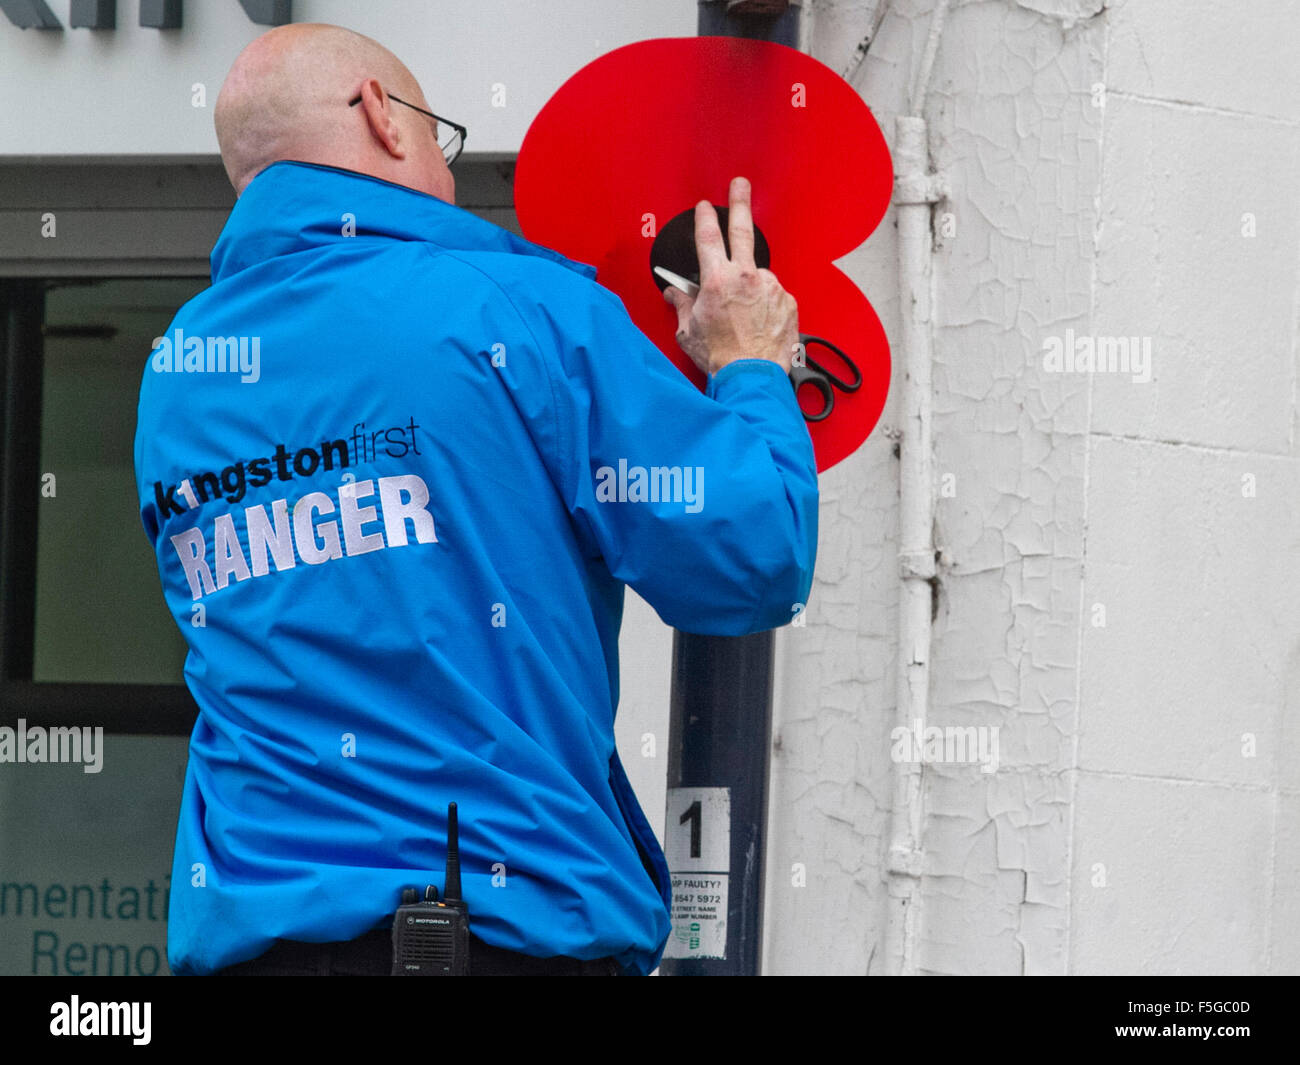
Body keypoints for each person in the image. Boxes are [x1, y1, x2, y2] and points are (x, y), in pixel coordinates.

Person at [134, 22, 818, 976]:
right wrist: (748, 365)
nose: (451, 181)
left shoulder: (179, 375)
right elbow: (753, 553)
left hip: (252, 944)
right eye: (443, 141)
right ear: (384, 115)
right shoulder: (519, 311)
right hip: (490, 934)